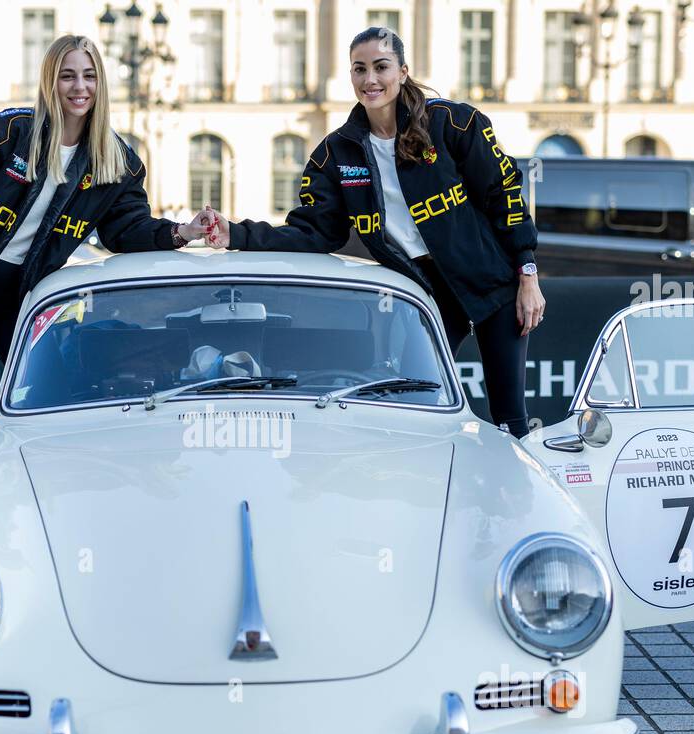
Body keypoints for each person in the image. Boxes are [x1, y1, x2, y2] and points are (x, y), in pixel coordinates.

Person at [204, 26, 544, 438]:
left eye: (381, 67)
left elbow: (503, 193)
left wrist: (527, 274)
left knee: (510, 417)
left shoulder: (453, 123)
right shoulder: (336, 151)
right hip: (424, 297)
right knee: (412, 407)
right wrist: (235, 234)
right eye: (359, 69)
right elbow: (314, 232)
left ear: (403, 71)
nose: (370, 80)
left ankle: (514, 494)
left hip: (493, 286)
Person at [0, 34, 215, 435]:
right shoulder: (4, 132)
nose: (79, 88)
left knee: (53, 393)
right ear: (50, 81)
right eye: (67, 76)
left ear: (101, 83)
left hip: (27, 296)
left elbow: (125, 230)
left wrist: (182, 232)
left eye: (88, 76)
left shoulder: (118, 161)